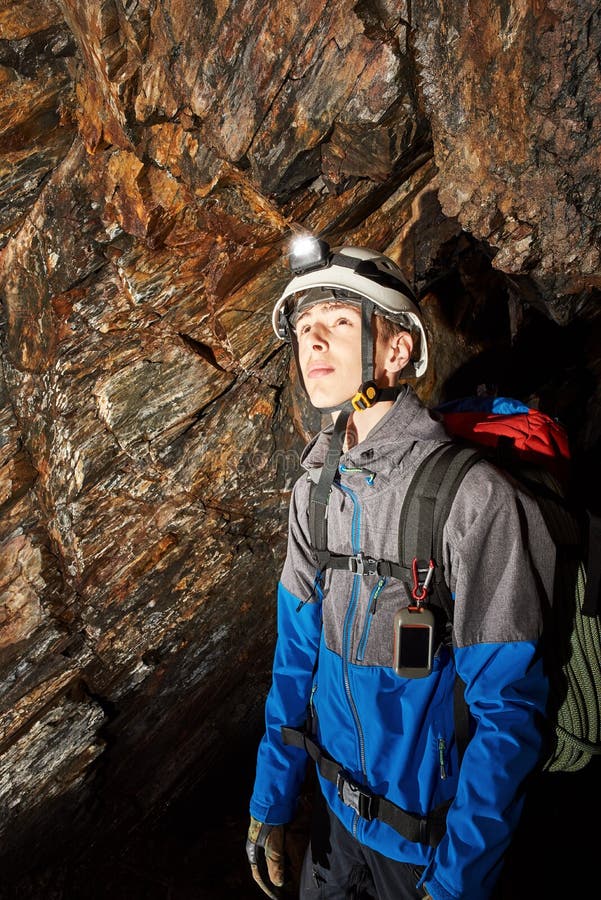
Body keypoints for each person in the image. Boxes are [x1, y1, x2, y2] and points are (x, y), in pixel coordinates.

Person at [246, 238, 555, 900]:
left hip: (429, 850)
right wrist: (271, 800)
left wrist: (457, 883)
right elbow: (294, 660)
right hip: (332, 828)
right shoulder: (313, 492)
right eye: (304, 327)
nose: (312, 342)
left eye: (338, 321)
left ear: (396, 351)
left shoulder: (472, 499)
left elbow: (507, 714)